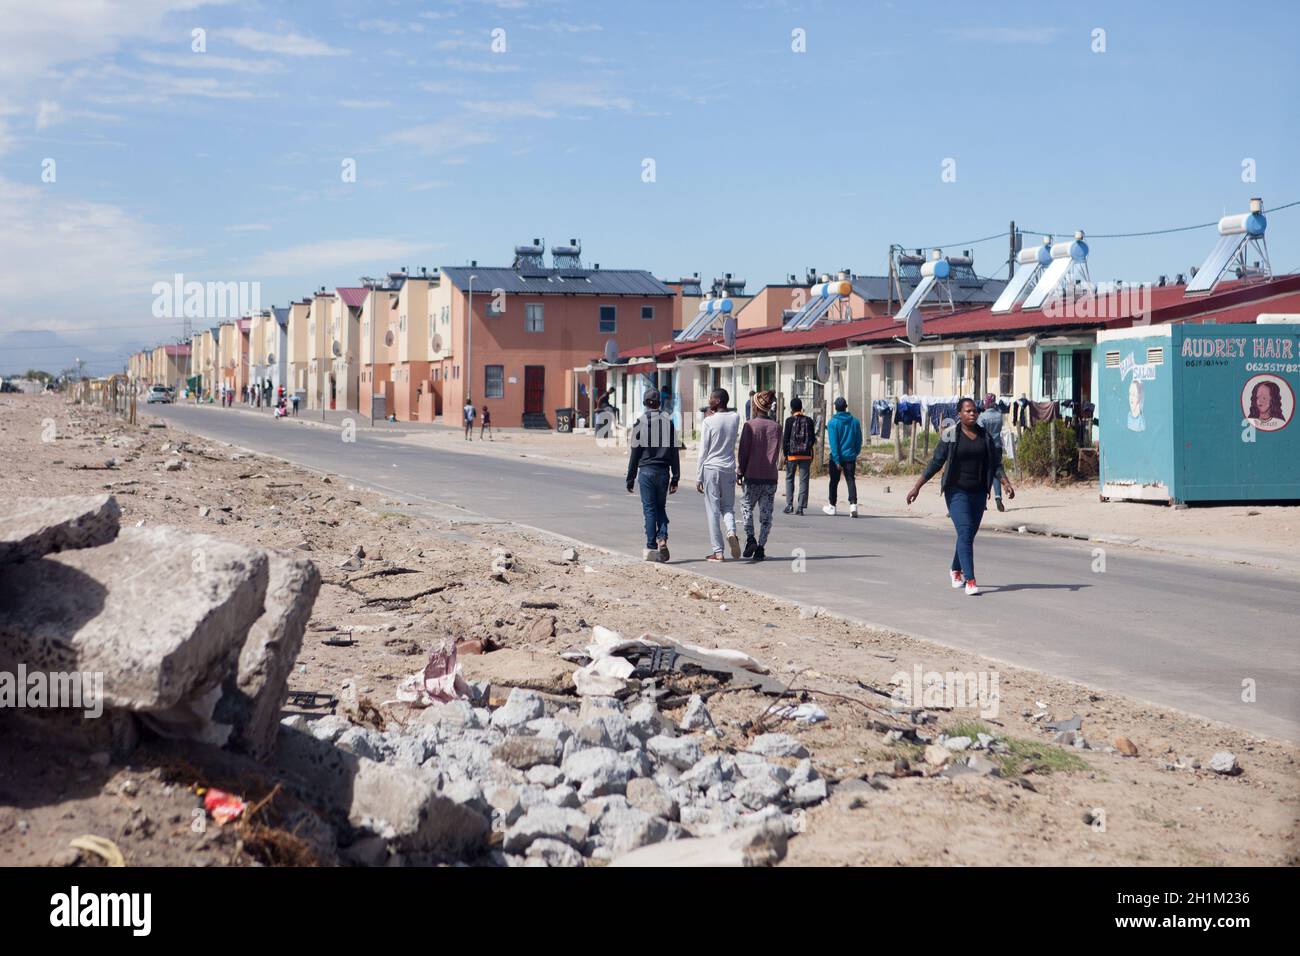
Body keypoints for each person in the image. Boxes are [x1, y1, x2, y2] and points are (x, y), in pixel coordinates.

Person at [905, 397, 1015, 596]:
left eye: (975, 411)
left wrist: (1006, 483)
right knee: (965, 531)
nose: (973, 414)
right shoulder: (950, 435)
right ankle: (970, 579)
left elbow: (995, 464)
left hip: (979, 492)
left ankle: (955, 569)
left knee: (968, 534)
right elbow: (936, 462)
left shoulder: (985, 437)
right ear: (959, 414)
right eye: (968, 411)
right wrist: (917, 487)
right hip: (956, 491)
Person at [626, 391, 680, 562]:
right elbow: (674, 451)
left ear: (645, 403)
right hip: (664, 471)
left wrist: (630, 477)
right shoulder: (668, 423)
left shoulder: (639, 424)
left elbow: (635, 453)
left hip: (646, 471)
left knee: (649, 510)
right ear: (659, 403)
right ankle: (662, 538)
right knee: (660, 507)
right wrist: (676, 477)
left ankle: (651, 546)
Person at [695, 388, 742, 561]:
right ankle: (731, 532)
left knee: (713, 511)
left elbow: (703, 451)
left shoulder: (708, 422)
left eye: (711, 398)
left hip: (711, 469)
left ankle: (718, 551)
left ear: (718, 401)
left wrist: (698, 476)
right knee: (728, 507)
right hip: (728, 468)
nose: (709, 401)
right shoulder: (736, 418)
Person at [737, 390, 780, 562]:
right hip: (770, 476)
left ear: (755, 406)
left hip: (752, 475)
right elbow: (777, 453)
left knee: (746, 507)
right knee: (766, 514)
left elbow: (743, 452)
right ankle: (761, 547)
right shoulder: (777, 427)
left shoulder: (749, 425)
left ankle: (750, 539)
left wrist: (740, 471)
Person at [822, 396, 863, 517]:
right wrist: (855, 453)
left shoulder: (832, 423)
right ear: (846, 407)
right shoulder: (855, 422)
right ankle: (853, 505)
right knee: (851, 480)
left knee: (834, 481)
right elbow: (859, 440)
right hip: (850, 456)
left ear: (835, 408)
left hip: (837, 458)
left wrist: (836, 459)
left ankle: (832, 506)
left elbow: (834, 444)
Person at [781, 396, 814, 515]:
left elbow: (785, 440)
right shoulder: (809, 420)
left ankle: (789, 505)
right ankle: (800, 507)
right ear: (801, 407)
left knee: (790, 479)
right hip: (805, 455)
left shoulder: (789, 421)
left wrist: (785, 454)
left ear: (791, 408)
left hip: (792, 455)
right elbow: (812, 438)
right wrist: (808, 449)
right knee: (804, 481)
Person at [976, 393, 1007, 512]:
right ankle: (998, 497)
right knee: (996, 473)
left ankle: (983, 501)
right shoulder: (999, 415)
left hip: (985, 447)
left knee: (984, 473)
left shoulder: (982, 417)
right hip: (997, 446)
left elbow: (980, 432)